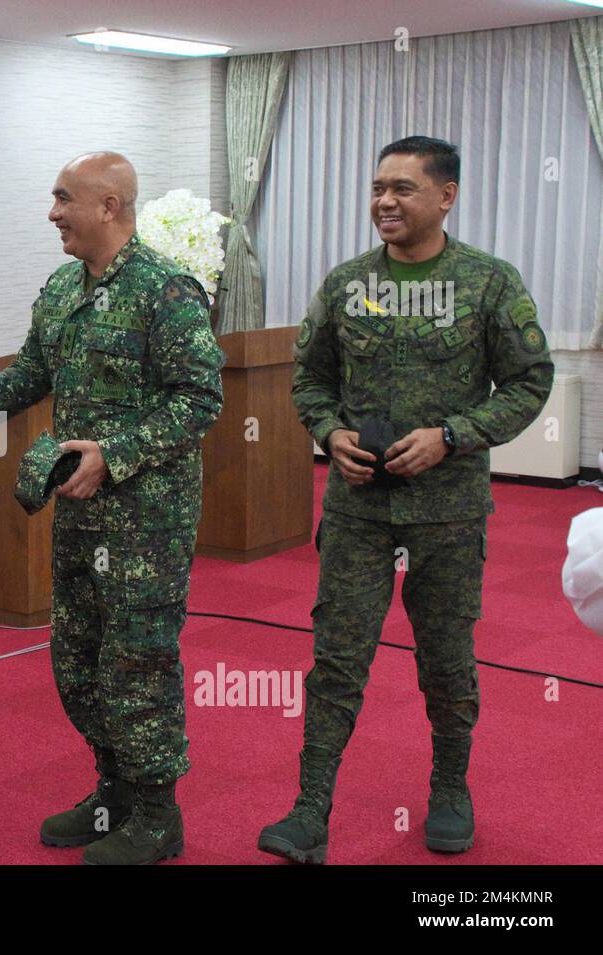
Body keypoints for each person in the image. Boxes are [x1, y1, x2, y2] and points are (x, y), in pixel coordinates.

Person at [258, 136, 554, 864]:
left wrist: (453, 435)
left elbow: (529, 382)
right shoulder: (346, 283)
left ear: (445, 196)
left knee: (447, 661)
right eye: (377, 188)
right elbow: (309, 379)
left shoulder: (488, 284)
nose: (384, 201)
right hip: (358, 510)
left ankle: (450, 788)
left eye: (403, 188)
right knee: (336, 659)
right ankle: (310, 808)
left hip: (447, 514)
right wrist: (329, 431)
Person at [0, 152, 224, 865]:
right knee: (78, 659)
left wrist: (114, 452)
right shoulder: (65, 286)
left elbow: (200, 400)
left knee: (138, 662)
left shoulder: (167, 290)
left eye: (65, 198)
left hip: (147, 518)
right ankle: (114, 791)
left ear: (110, 207)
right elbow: (32, 374)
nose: (52, 211)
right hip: (79, 515)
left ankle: (158, 813)